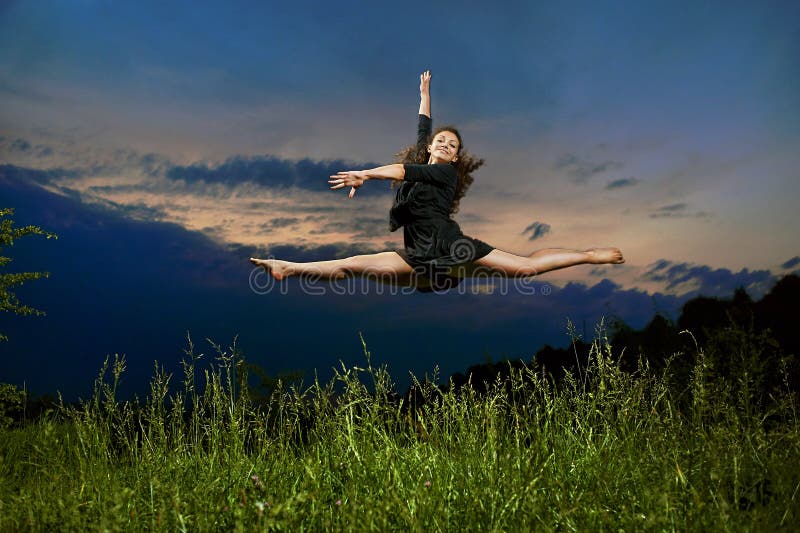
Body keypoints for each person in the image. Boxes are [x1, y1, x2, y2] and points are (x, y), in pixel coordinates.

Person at [250, 70, 624, 291]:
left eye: (453, 145)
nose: (446, 145)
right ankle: (287, 267)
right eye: (441, 141)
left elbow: (400, 171)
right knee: (351, 265)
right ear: (431, 146)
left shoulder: (443, 172)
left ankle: (589, 255)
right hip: (418, 260)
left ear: (456, 157)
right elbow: (423, 130)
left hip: (454, 251)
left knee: (525, 267)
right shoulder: (423, 154)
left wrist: (364, 173)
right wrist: (425, 95)